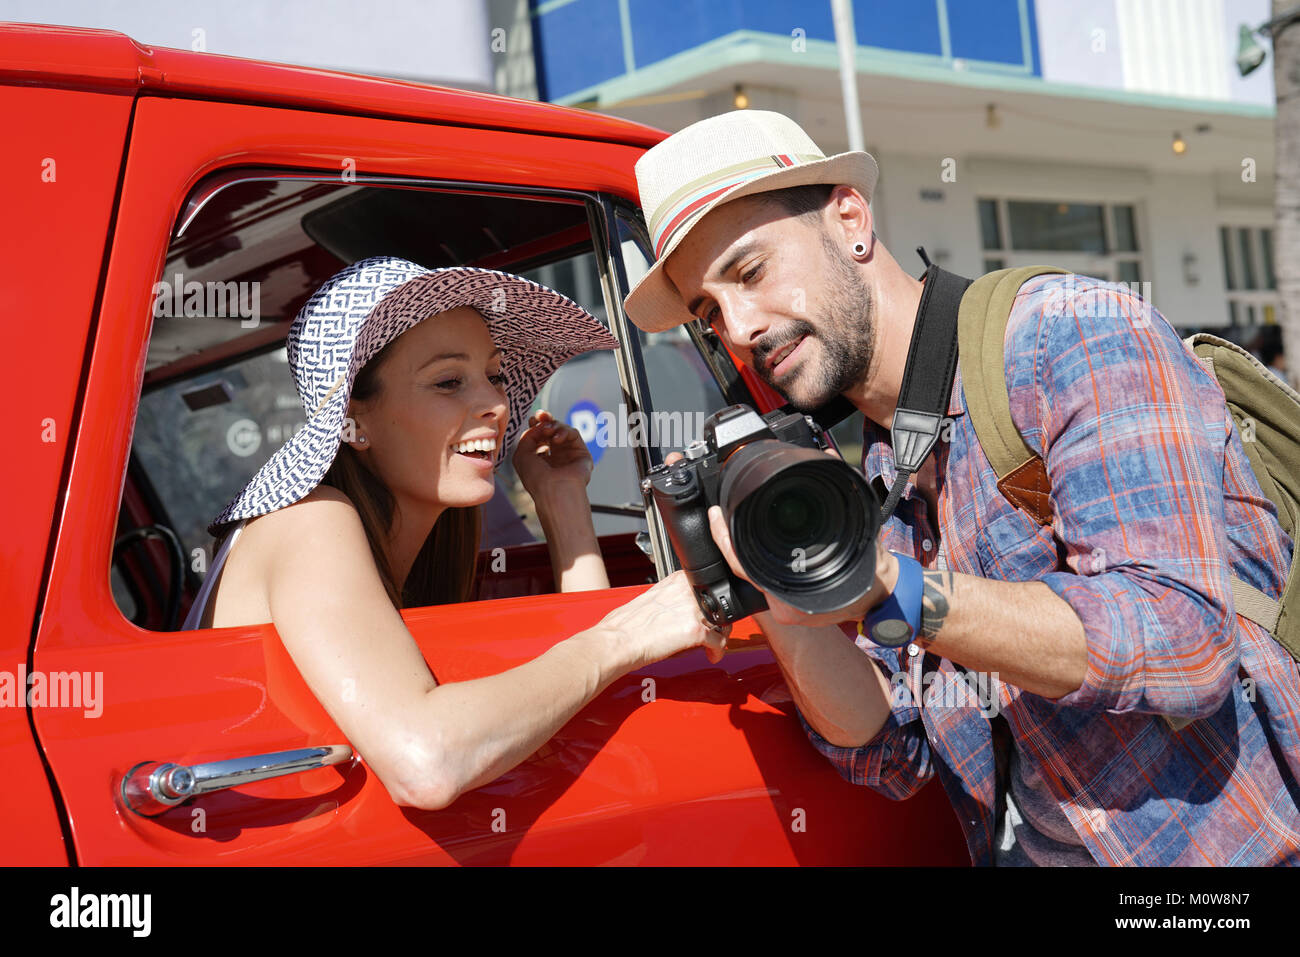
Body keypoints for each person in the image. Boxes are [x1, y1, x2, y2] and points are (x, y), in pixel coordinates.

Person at [623, 110, 1300, 865]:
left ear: (849, 218)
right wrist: (779, 590)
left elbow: (1183, 636)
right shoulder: (878, 470)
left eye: (750, 272)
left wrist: (898, 592)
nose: (739, 326)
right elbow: (895, 750)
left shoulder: (1067, 335)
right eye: (709, 311)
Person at [186, 256, 727, 811]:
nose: (496, 403)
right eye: (448, 381)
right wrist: (627, 635)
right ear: (355, 419)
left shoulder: (404, 539)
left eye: (495, 375)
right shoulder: (308, 521)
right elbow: (427, 763)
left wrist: (563, 502)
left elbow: (586, 701)